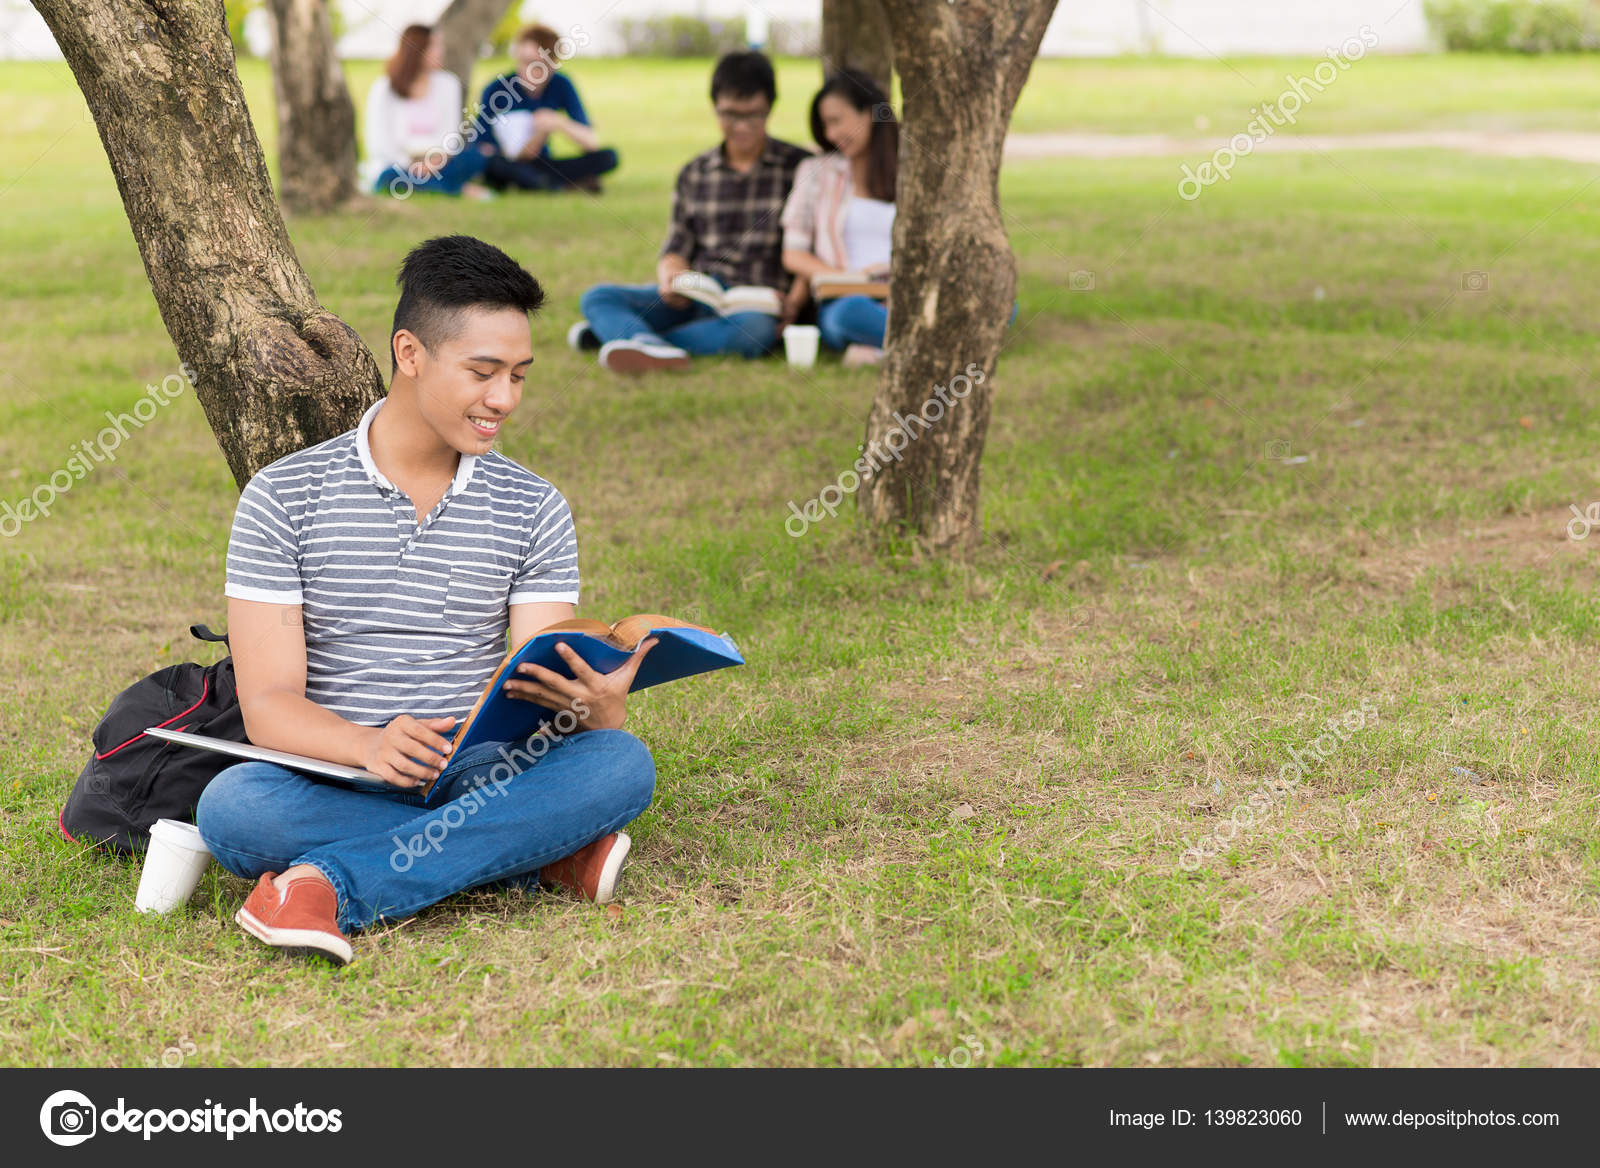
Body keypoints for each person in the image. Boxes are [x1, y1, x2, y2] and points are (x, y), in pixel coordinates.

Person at [196, 236, 657, 966]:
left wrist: (597, 706)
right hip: (342, 776)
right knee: (233, 808)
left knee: (620, 762)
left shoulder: (533, 506)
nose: (503, 399)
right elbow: (270, 703)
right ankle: (534, 856)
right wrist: (368, 744)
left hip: (485, 769)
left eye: (518, 376)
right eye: (482, 372)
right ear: (409, 353)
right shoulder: (283, 497)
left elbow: (538, 681)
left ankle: (325, 884)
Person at [570, 51, 812, 373]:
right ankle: (644, 343)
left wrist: (795, 301)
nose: (741, 126)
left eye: (752, 115)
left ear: (770, 107)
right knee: (598, 297)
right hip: (699, 294)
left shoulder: (801, 168)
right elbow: (676, 249)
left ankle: (630, 340)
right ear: (715, 107)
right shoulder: (695, 172)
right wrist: (672, 280)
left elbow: (814, 249)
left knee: (754, 332)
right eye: (729, 114)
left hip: (756, 304)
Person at [780, 70, 898, 368]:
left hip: (904, 291)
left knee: (1003, 306)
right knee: (849, 315)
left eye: (836, 121)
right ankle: (943, 346)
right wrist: (850, 281)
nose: (830, 134)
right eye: (825, 125)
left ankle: (881, 348)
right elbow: (794, 254)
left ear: (869, 114)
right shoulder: (816, 172)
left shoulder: (910, 170)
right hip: (846, 298)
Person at [471, 23, 619, 194]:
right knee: (496, 167)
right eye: (525, 62)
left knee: (608, 157)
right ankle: (556, 184)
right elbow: (482, 146)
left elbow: (591, 142)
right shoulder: (497, 89)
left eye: (539, 65)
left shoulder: (561, 84)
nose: (530, 71)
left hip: (543, 162)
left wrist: (557, 122)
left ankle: (544, 183)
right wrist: (521, 147)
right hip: (506, 162)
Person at [363, 25, 492, 199]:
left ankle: (434, 186)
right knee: (388, 177)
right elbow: (379, 142)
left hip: (439, 161)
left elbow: (450, 136)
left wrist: (433, 163)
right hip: (399, 164)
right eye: (434, 46)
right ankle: (457, 190)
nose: (440, 52)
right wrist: (412, 166)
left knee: (474, 157)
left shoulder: (449, 84)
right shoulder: (384, 88)